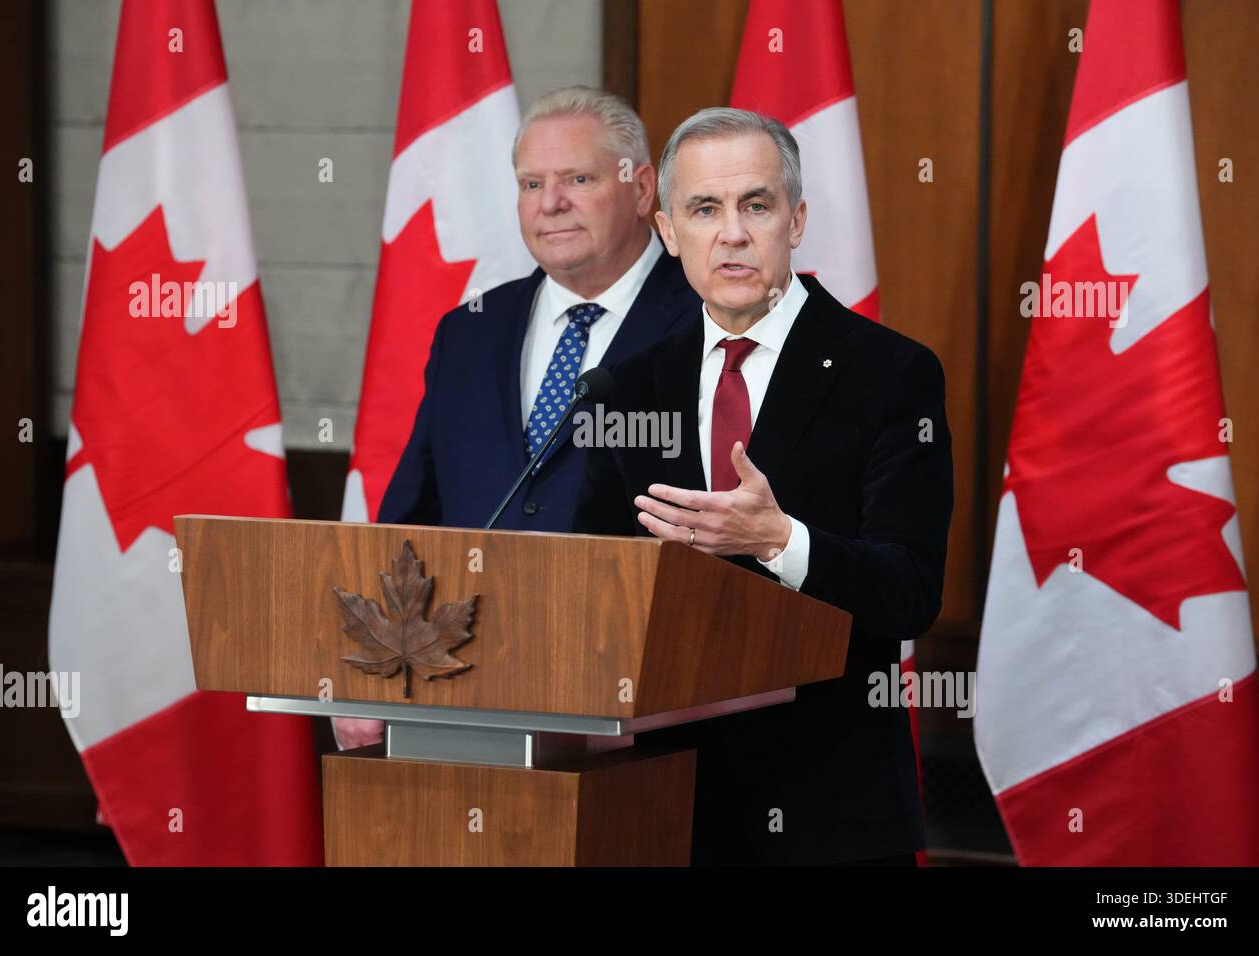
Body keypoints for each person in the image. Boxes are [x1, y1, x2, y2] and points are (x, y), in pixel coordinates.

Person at [572, 107, 953, 865]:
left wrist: (781, 541)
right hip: (662, 809)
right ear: (668, 231)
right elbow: (593, 581)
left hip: (829, 816)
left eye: (756, 205)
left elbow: (911, 592)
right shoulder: (627, 387)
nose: (733, 234)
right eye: (704, 209)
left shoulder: (891, 374)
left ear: (796, 220)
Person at [334, 87, 699, 750]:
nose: (549, 203)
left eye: (578, 180)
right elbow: (412, 521)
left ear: (642, 187)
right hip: (469, 698)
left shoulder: (710, 323)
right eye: (531, 184)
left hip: (645, 711)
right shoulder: (470, 331)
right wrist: (375, 665)